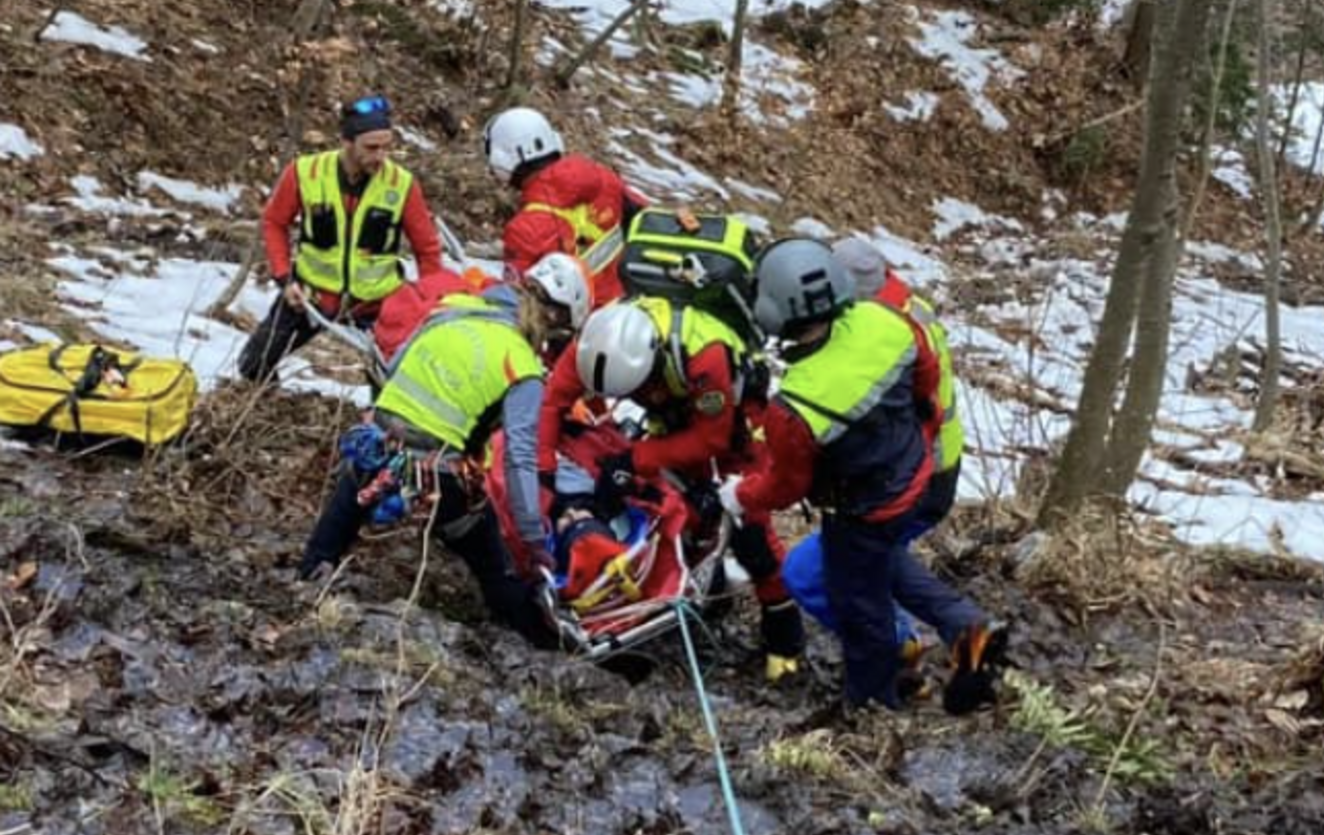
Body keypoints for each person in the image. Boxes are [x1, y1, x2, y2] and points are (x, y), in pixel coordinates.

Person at [723, 238, 1002, 714]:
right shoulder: (887, 322)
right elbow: (927, 379)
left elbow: (787, 487)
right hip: (915, 474)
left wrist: (742, 494)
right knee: (875, 564)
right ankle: (964, 627)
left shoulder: (798, 403)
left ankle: (872, 701)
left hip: (865, 508)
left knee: (855, 600)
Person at [298, 257, 592, 647]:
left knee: (344, 509)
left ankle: (307, 585)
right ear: (553, 320)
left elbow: (391, 368)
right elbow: (519, 460)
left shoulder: (451, 310)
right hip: (438, 478)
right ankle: (551, 644)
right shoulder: (522, 367)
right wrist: (535, 543)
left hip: (376, 444)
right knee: (494, 567)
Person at [547, 295, 806, 678]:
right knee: (683, 506)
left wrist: (634, 460)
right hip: (670, 415)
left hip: (732, 426)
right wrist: (536, 471)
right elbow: (552, 403)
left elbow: (712, 439)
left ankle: (784, 639)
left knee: (750, 527)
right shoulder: (594, 342)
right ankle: (705, 585)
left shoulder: (704, 354)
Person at [241, 95, 444, 382]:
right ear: (347, 142)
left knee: (397, 380)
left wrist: (431, 301)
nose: (381, 156)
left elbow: (428, 250)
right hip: (311, 295)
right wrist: (285, 279)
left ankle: (380, 424)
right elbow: (274, 222)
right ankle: (267, 410)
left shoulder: (402, 184)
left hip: (376, 302)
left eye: (387, 147)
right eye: (372, 148)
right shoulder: (305, 172)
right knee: (253, 366)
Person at [485, 106, 647, 307]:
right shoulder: (603, 177)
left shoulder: (524, 230)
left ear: (503, 159)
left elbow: (515, 302)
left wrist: (481, 284)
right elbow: (645, 217)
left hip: (584, 326)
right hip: (629, 304)